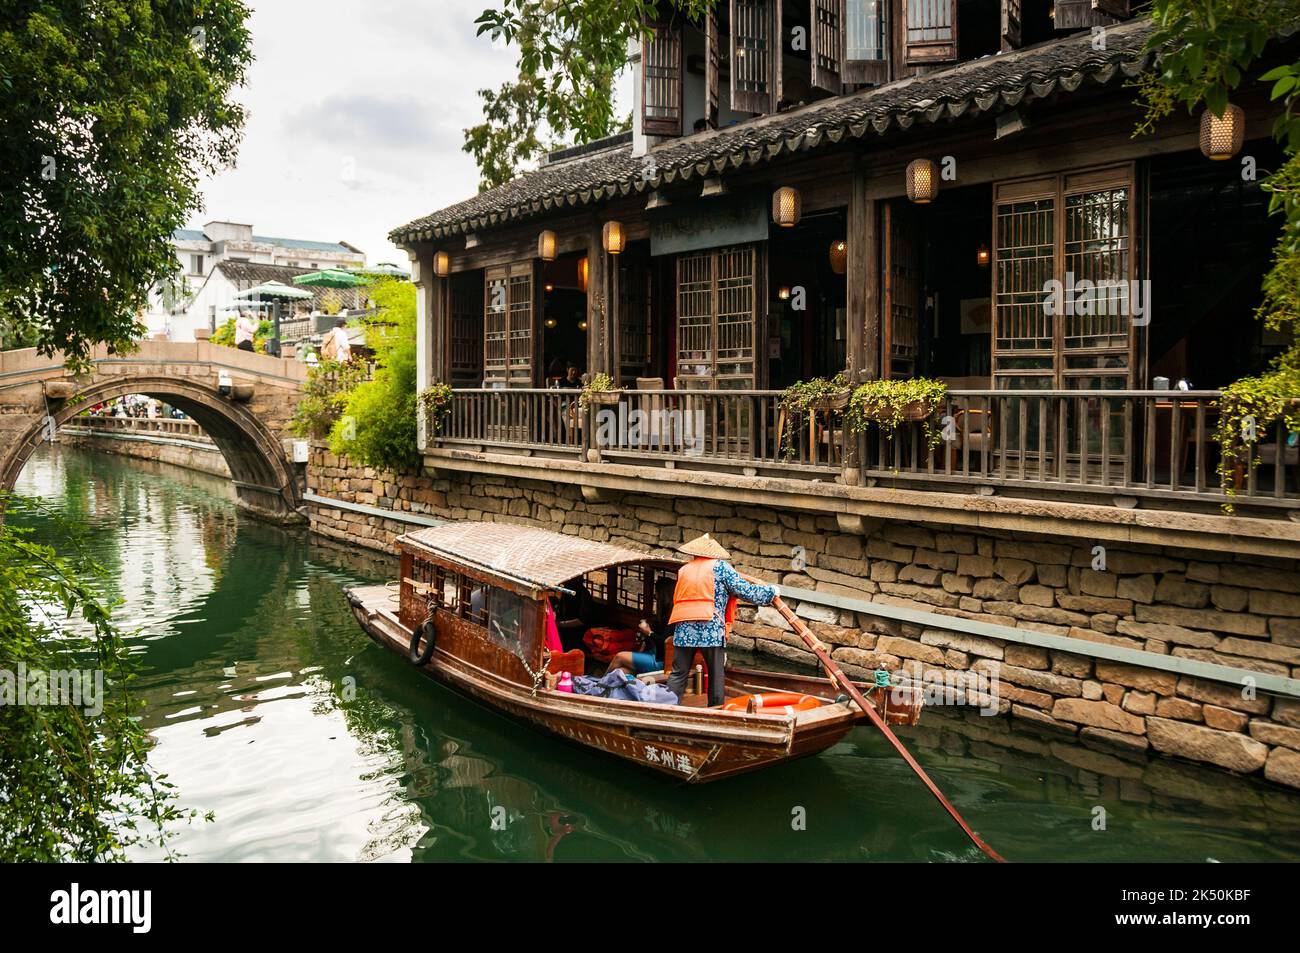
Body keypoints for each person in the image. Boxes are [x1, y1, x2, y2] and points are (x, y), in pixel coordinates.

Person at [666, 533, 777, 707]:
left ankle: (666, 708)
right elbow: (745, 591)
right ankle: (715, 712)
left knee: (678, 674)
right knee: (716, 674)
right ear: (713, 553)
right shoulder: (720, 567)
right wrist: (771, 592)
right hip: (709, 626)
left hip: (684, 626)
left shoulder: (684, 570)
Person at [607, 577, 677, 676]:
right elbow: (653, 639)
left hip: (660, 661)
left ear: (664, 595)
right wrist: (645, 635)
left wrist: (649, 633)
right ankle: (609, 688)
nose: (655, 596)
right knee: (622, 671)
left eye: (656, 593)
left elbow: (664, 643)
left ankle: (599, 687)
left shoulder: (674, 617)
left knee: (619, 656)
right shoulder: (663, 615)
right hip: (652, 654)